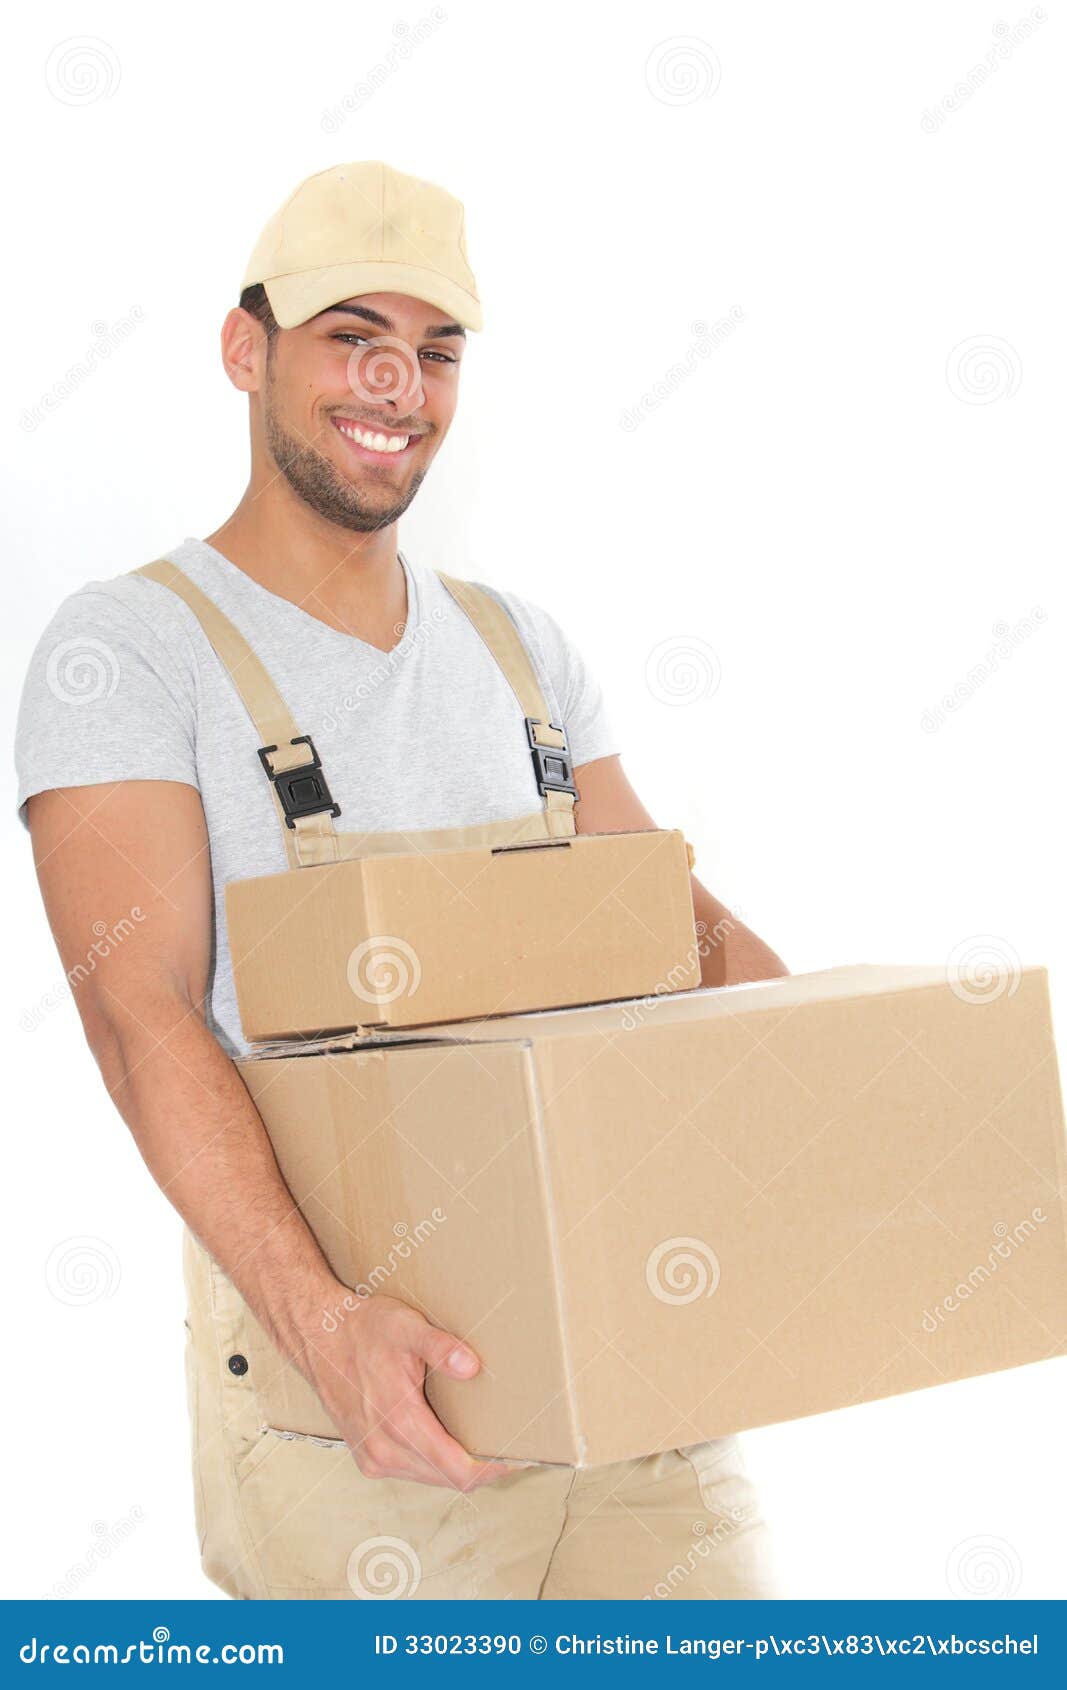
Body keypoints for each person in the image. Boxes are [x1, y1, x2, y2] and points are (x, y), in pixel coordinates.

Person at [15, 160, 788, 1600]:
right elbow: (143, 1016)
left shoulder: (521, 650)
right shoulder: (131, 648)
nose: (399, 386)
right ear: (247, 350)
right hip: (364, 1407)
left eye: (437, 352)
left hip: (635, 1366)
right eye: (353, 336)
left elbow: (675, 929)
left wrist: (832, 1081)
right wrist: (324, 1327)